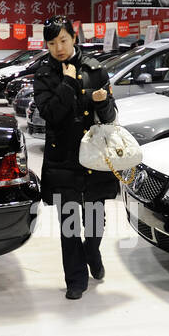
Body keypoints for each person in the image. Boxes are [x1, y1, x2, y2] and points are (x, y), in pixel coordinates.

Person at [32, 17, 119, 300]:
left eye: (63, 40)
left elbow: (110, 116)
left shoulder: (95, 68)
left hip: (92, 157)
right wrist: (67, 83)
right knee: (69, 223)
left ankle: (92, 253)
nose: (58, 48)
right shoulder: (44, 73)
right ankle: (76, 279)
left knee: (94, 222)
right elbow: (51, 115)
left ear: (73, 38)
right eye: (52, 43)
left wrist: (102, 101)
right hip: (62, 157)